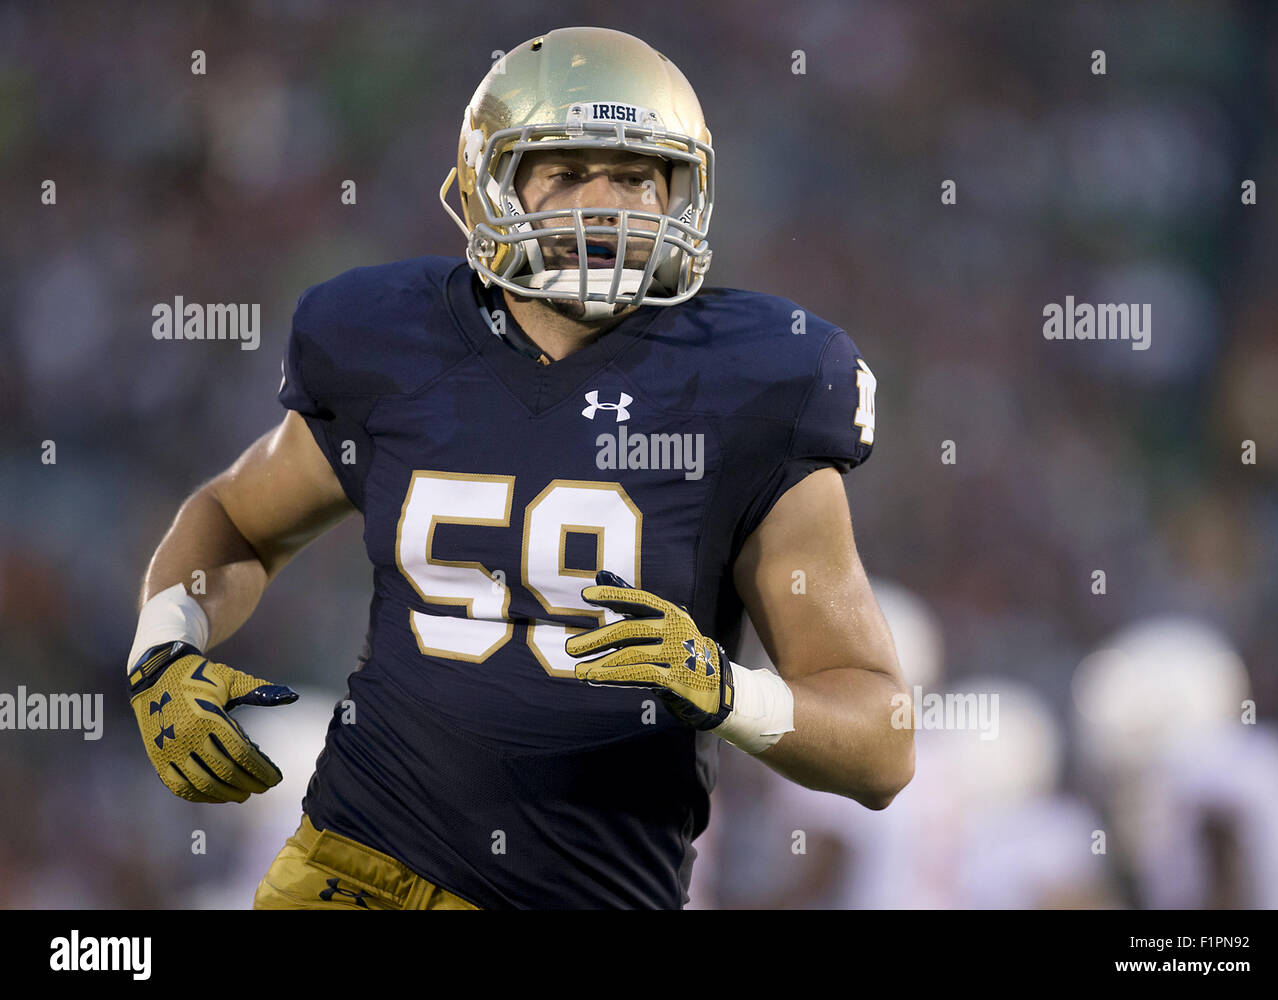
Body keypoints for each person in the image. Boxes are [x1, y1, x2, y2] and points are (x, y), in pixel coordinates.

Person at [126, 25, 912, 910]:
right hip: (349, 869)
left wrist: (727, 691)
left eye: (636, 176)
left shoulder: (761, 378)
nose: (605, 204)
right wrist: (164, 646)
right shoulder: (388, 335)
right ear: (485, 183)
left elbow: (882, 742)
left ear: (683, 192)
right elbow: (235, 522)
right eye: (568, 172)